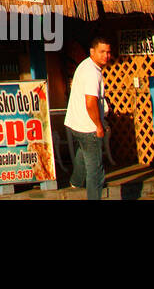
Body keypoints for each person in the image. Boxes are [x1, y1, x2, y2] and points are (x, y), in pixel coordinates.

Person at [63, 36, 111, 200]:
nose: (106, 56)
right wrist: (99, 125)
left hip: (75, 123)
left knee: (83, 153)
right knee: (96, 171)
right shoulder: (92, 72)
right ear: (92, 51)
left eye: (108, 52)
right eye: (102, 52)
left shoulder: (85, 65)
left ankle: (75, 182)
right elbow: (90, 102)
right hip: (88, 126)